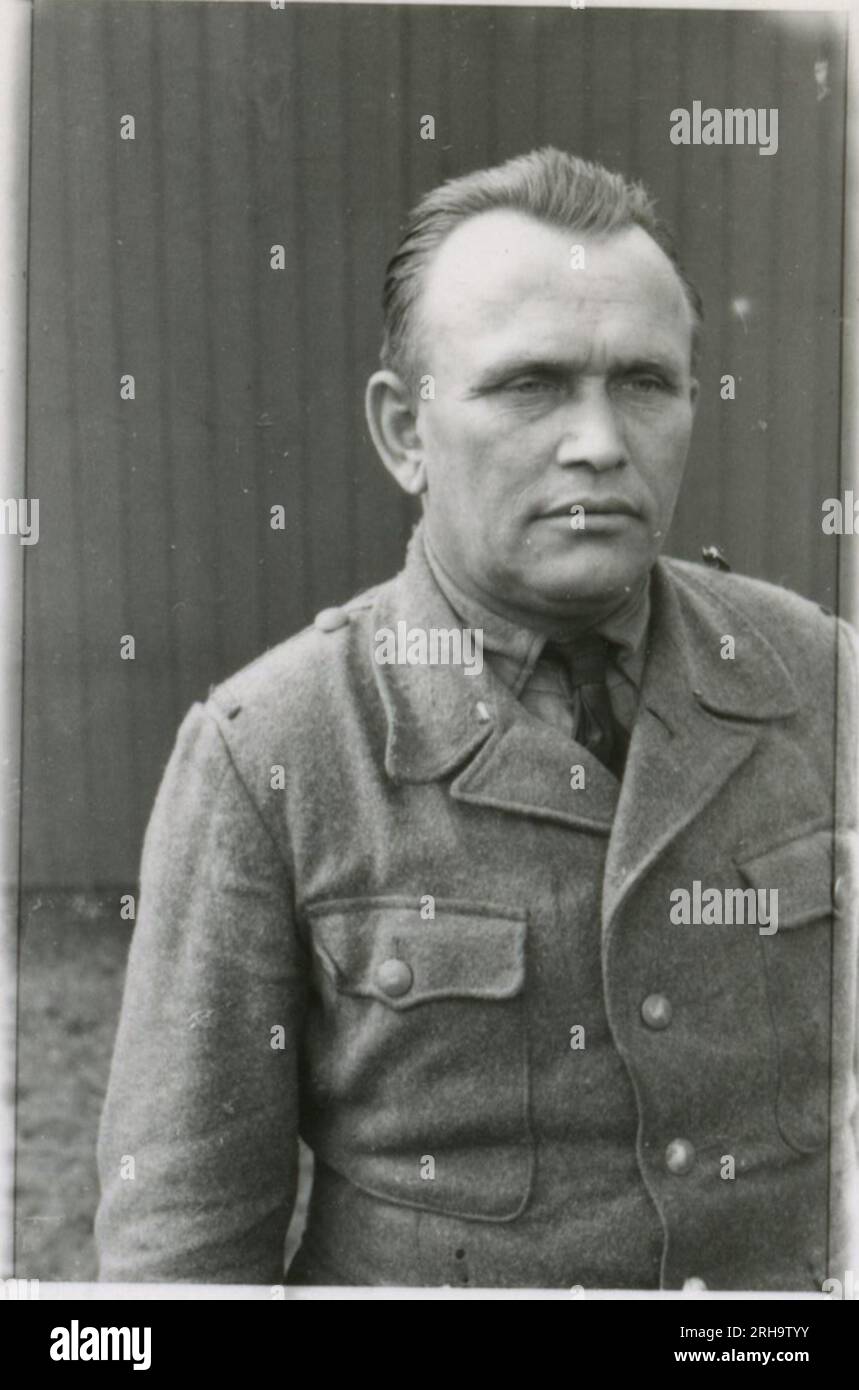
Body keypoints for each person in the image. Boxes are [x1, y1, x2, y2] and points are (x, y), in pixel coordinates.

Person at [95, 148, 857, 1290]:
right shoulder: (272, 752)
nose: (599, 441)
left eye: (644, 382)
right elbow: (183, 1251)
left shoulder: (820, 677)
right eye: (530, 384)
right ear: (405, 430)